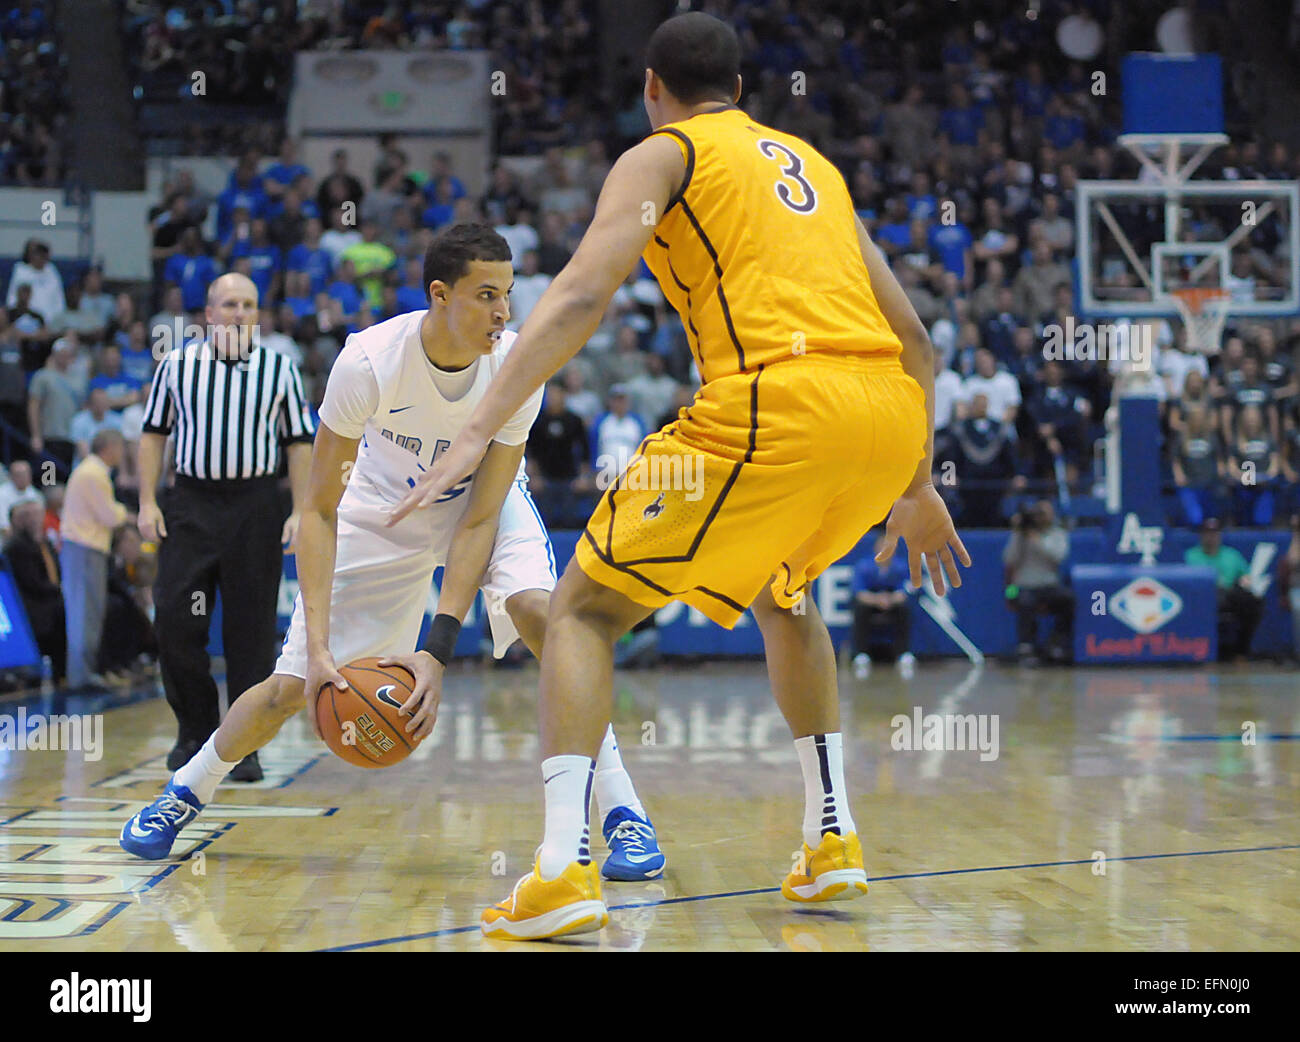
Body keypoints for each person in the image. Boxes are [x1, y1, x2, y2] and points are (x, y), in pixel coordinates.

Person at [389, 13, 968, 940]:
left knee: (581, 610)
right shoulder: (813, 166)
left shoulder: (661, 156)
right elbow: (918, 341)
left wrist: (476, 428)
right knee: (786, 595)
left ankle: (561, 869)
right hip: (885, 413)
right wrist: (917, 484)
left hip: (778, 405)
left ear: (653, 86)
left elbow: (580, 292)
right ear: (740, 86)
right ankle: (833, 842)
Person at [119, 226, 661, 885]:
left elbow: (480, 516)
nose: (503, 312)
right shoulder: (369, 361)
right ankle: (183, 792)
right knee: (289, 688)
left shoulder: (518, 368)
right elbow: (318, 509)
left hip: (475, 502)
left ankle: (624, 813)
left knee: (548, 621)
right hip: (378, 509)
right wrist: (320, 650)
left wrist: (436, 649)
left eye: (509, 294)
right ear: (439, 294)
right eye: (486, 294)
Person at [136, 273, 314, 781]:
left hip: (255, 505)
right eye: (229, 304)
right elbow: (153, 435)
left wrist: (301, 511)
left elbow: (300, 444)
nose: (239, 313)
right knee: (174, 619)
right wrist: (147, 501)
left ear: (258, 314)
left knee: (251, 633)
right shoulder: (176, 365)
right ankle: (195, 730)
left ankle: (242, 744)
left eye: (249, 305)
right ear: (208, 314)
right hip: (191, 502)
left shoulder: (281, 369)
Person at [60, 429, 129, 690]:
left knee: (87, 611)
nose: (122, 453)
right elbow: (111, 516)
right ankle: (81, 676)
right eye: (120, 447)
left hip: (84, 548)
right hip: (85, 549)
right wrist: (126, 513)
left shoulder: (90, 470)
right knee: (85, 612)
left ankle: (82, 673)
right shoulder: (94, 473)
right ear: (109, 448)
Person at [1002, 499, 1072, 663]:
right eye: (1037, 514)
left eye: (1044, 514)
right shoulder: (1021, 535)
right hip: (1023, 586)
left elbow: (1057, 557)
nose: (1040, 518)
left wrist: (1037, 540)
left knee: (1068, 599)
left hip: (1049, 585)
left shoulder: (1057, 534)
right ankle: (1026, 646)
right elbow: (1009, 559)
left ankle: (1058, 643)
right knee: (1024, 601)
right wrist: (1018, 534)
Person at [5, 498, 65, 686]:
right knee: (61, 611)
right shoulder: (16, 546)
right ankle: (59, 672)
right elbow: (32, 583)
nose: (35, 520)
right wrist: (62, 590)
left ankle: (66, 671)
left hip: (49, 596)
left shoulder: (44, 541)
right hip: (31, 602)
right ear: (19, 521)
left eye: (38, 515)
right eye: (29, 516)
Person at [1184, 517, 1263, 661]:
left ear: (1219, 535)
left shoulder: (1231, 555)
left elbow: (1246, 576)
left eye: (1214, 533)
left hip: (1228, 595)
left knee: (1253, 602)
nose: (1211, 537)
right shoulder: (1191, 556)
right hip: (1201, 596)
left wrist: (1245, 581)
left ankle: (1241, 651)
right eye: (1207, 533)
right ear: (1201, 536)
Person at [850, 530, 915, 679]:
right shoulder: (863, 566)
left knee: (904, 609)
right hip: (871, 604)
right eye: (882, 545)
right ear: (875, 547)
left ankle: (903, 653)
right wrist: (878, 599)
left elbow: (904, 593)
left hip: (892, 604)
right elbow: (859, 593)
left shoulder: (901, 567)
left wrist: (889, 600)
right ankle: (861, 654)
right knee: (860, 610)